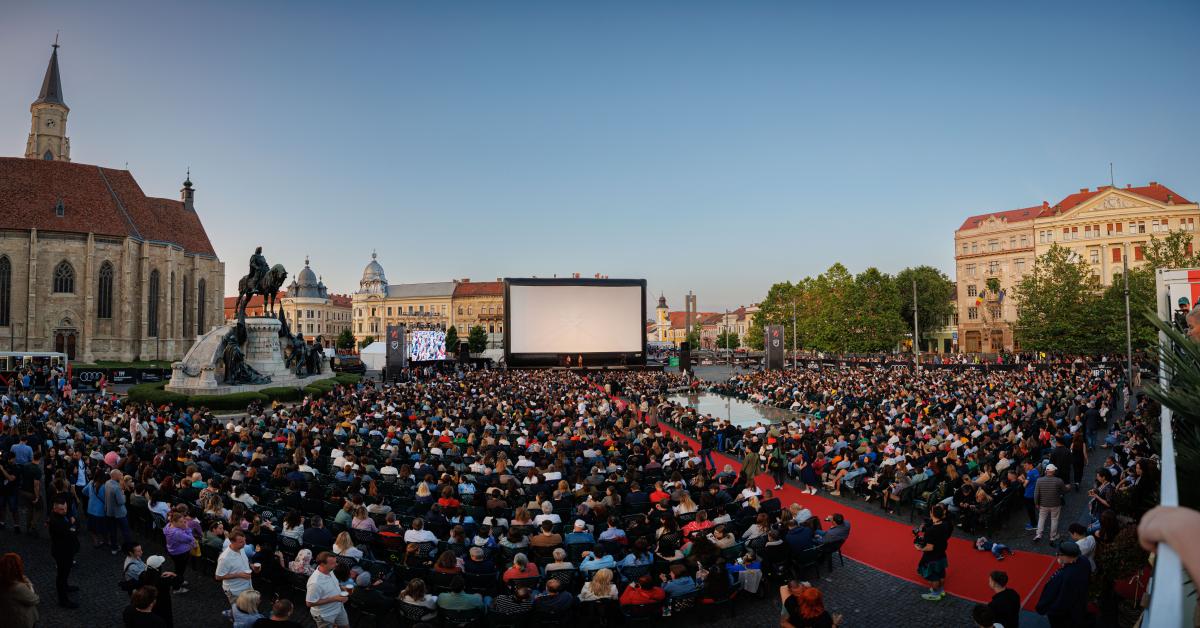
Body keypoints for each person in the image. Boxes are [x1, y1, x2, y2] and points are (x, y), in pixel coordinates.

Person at [1035, 541, 1090, 628]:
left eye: (1060, 554)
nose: (1057, 555)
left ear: (1067, 557)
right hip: (1080, 603)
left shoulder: (1062, 576)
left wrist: (1042, 608)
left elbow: (1050, 593)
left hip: (1061, 612)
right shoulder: (1085, 560)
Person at [47, 495, 80, 608]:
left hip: (65, 550)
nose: (65, 511)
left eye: (65, 508)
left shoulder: (60, 516)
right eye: (62, 509)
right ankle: (63, 600)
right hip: (62, 552)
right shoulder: (57, 521)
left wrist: (72, 524)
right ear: (55, 508)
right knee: (62, 575)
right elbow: (72, 532)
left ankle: (65, 586)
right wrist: (73, 524)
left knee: (65, 573)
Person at [915, 504, 951, 602]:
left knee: (934, 577)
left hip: (932, 557)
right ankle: (941, 590)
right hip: (942, 554)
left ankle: (935, 594)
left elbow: (930, 547)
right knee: (941, 573)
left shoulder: (931, 530)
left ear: (932, 514)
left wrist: (919, 548)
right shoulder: (945, 525)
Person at [305, 551, 349, 628]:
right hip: (325, 615)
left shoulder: (330, 570)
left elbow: (333, 582)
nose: (336, 565)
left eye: (336, 562)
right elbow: (309, 603)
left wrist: (341, 587)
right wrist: (335, 598)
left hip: (339, 608)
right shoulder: (315, 583)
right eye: (333, 563)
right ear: (322, 564)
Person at [216, 529, 259, 605]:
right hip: (235, 591)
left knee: (250, 606)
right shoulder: (224, 558)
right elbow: (218, 577)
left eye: (244, 540)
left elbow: (243, 561)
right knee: (239, 609)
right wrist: (239, 575)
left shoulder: (241, 548)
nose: (244, 544)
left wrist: (251, 565)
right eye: (241, 542)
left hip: (247, 585)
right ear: (232, 542)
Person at [0, 553, 39, 628]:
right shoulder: (17, 587)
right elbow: (34, 600)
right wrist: (30, 586)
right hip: (19, 620)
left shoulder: (3, 582)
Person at [1034, 464, 1068, 543]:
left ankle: (1038, 534)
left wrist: (1036, 503)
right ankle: (1053, 536)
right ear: (1054, 471)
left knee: (1041, 519)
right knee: (1054, 519)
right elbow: (1064, 491)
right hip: (1055, 504)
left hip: (1043, 504)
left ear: (1046, 471)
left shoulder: (1039, 480)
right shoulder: (1059, 480)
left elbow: (1036, 494)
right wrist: (1068, 487)